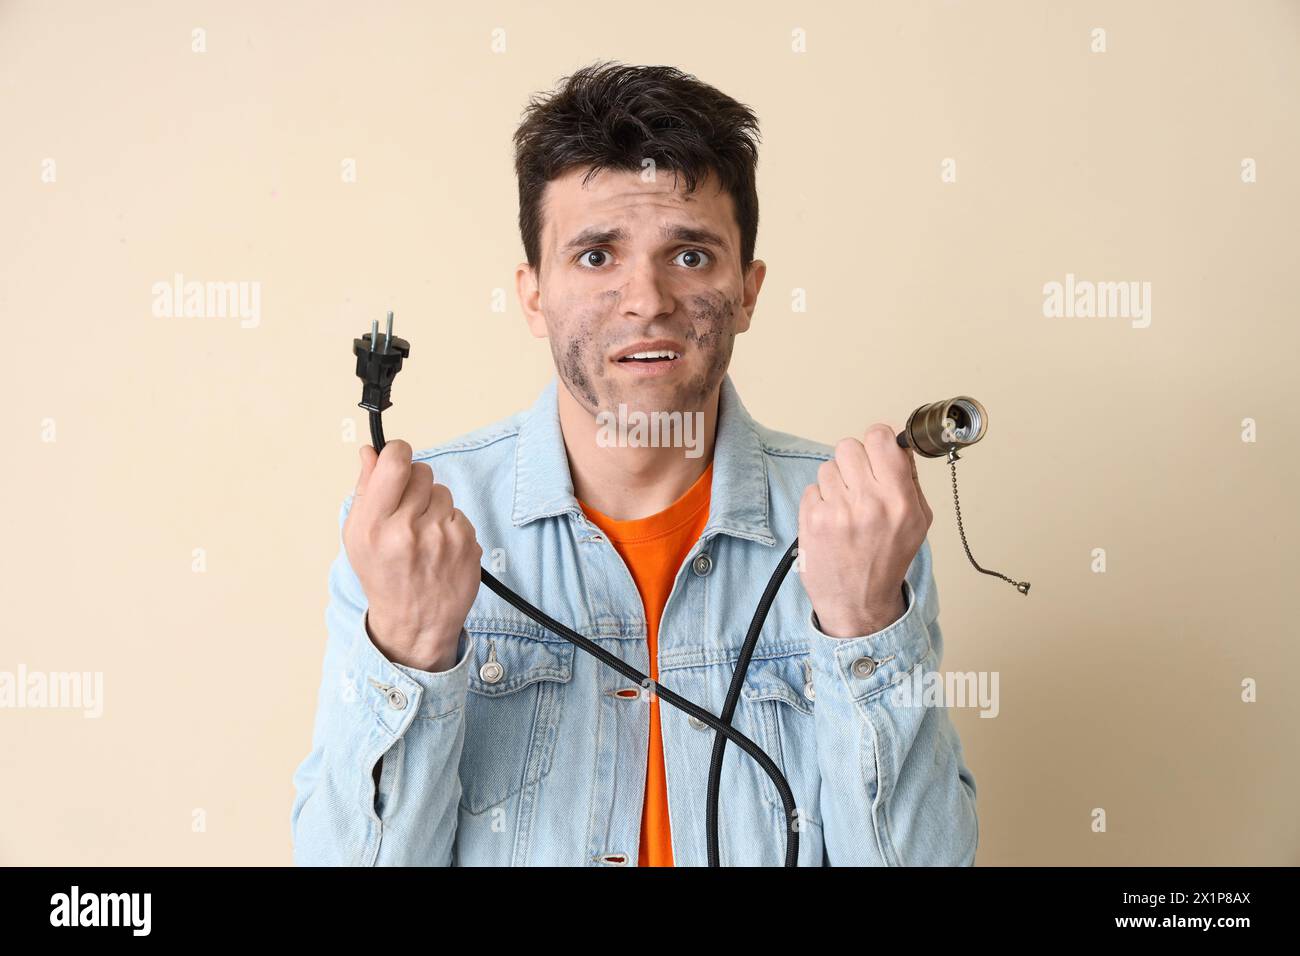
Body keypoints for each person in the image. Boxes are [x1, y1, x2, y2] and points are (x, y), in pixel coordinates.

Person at [291, 60, 978, 866]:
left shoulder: (858, 524)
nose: (646, 298)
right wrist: (408, 640)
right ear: (533, 294)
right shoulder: (410, 534)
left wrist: (863, 624)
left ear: (749, 291)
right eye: (595, 257)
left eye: (690, 256)